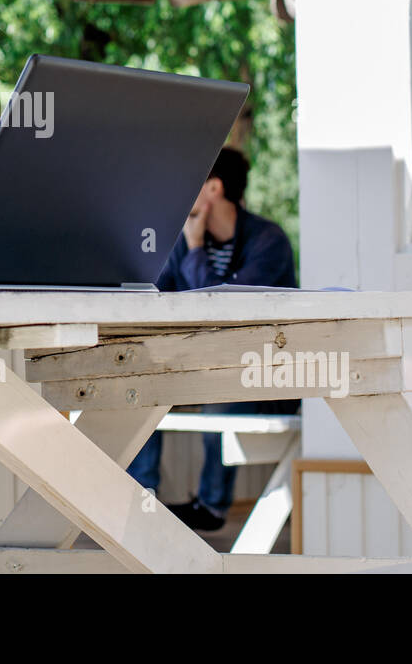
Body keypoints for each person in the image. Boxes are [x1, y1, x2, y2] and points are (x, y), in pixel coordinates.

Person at [126, 147, 298, 533]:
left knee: (226, 387)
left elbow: (225, 306)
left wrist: (198, 249)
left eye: (192, 182)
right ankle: (142, 495)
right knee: (137, 382)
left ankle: (211, 506)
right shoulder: (181, 240)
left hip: (264, 375)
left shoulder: (268, 241)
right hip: (200, 364)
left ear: (214, 188)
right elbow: (154, 298)